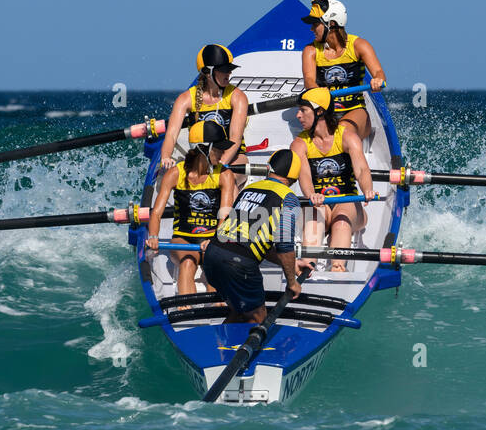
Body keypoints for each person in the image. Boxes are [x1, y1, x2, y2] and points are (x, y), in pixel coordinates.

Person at [201, 149, 313, 324]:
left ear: (268, 169)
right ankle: (243, 350)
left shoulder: (249, 189)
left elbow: (254, 241)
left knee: (239, 310)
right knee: (258, 318)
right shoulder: (289, 199)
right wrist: (292, 282)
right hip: (238, 264)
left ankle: (220, 348)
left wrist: (294, 263)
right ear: (294, 179)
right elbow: (284, 244)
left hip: (212, 255)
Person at [146, 121, 238, 298]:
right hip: (183, 239)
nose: (222, 153)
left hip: (213, 238)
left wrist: (217, 240)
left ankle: (219, 309)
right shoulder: (175, 174)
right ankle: (187, 312)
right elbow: (156, 213)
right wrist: (153, 237)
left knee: (215, 264)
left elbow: (225, 215)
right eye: (218, 148)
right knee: (188, 262)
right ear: (202, 149)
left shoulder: (224, 175)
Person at [290, 88, 372, 273]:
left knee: (341, 223)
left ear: (319, 111)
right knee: (312, 218)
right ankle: (306, 266)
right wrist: (311, 195)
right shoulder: (299, 144)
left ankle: (337, 267)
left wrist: (367, 189)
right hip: (320, 204)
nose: (298, 115)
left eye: (303, 110)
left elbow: (362, 169)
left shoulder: (347, 137)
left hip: (348, 203)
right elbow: (305, 179)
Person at [300, 0, 386, 141]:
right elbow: (309, 80)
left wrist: (378, 80)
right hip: (326, 111)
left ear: (331, 24)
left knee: (342, 134)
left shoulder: (359, 45)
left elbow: (379, 72)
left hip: (355, 110)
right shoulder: (310, 51)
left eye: (315, 24)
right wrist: (319, 94)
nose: (311, 29)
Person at [159, 44, 249, 172]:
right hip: (199, 158)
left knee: (225, 180)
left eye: (229, 69)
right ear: (208, 72)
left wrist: (218, 166)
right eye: (224, 69)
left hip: (234, 156)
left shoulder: (238, 97)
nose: (229, 73)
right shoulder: (186, 99)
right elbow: (171, 135)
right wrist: (166, 157)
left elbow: (235, 139)